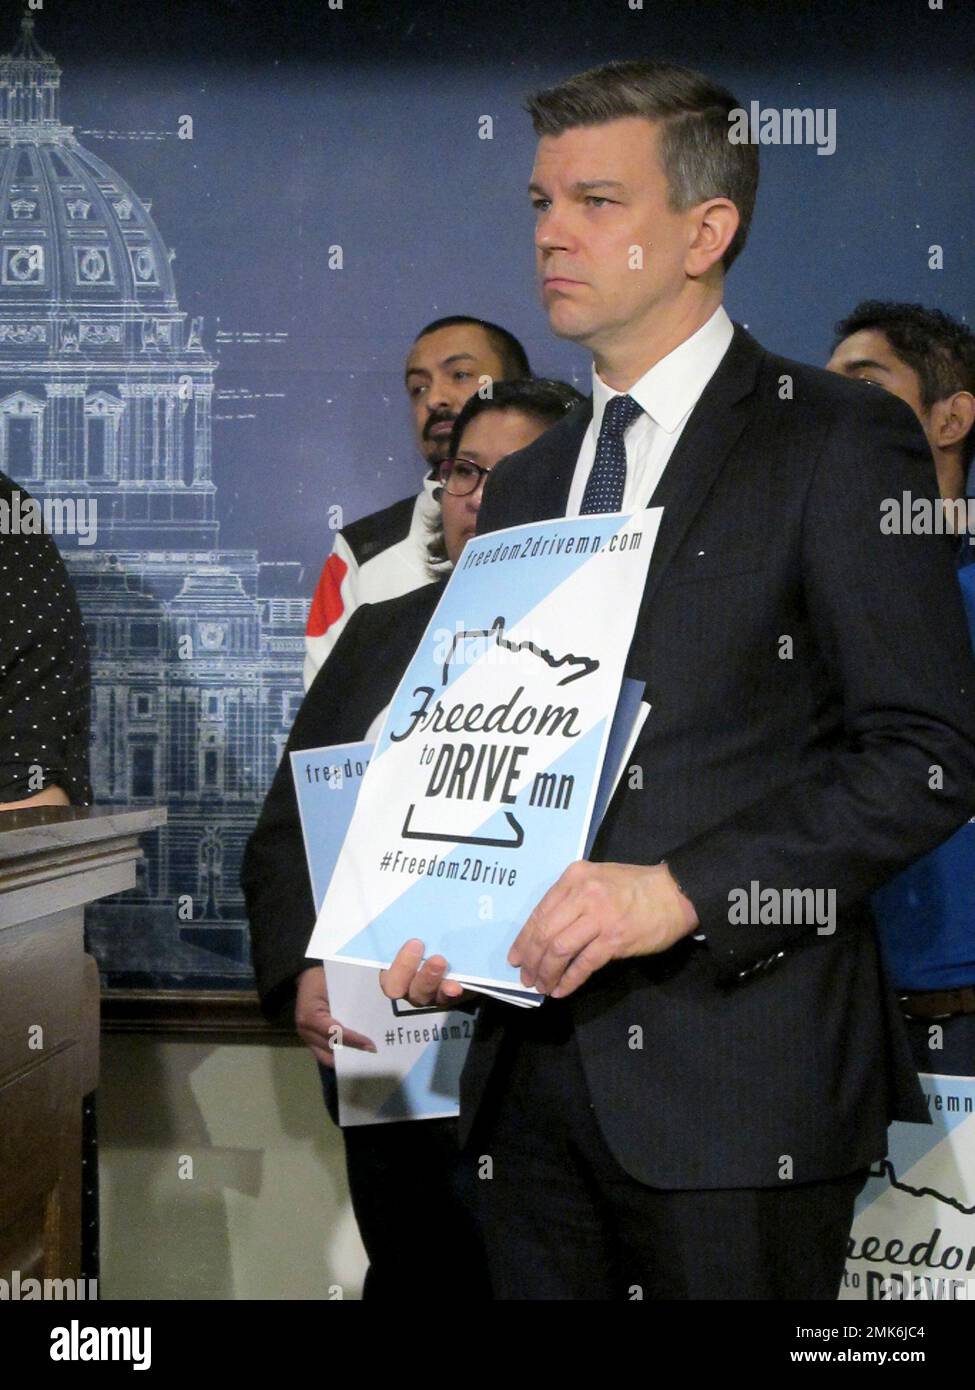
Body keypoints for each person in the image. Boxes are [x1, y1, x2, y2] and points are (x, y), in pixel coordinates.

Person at [381, 59, 975, 1301]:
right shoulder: (532, 485)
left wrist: (681, 892)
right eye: (541, 202)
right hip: (523, 1088)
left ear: (709, 230)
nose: (551, 233)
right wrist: (428, 906)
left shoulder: (836, 435)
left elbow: (925, 753)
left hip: (737, 1084)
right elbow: (499, 743)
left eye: (596, 201)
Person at [242, 378, 582, 1301]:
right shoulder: (378, 634)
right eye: (462, 470)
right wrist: (302, 971)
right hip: (390, 1070)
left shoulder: (635, 640)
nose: (476, 494)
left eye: (511, 473)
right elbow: (285, 836)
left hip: (556, 1074)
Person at [828, 303, 975, 1074]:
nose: (831, 408)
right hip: (843, 1026)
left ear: (951, 418)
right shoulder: (800, 604)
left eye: (865, 382)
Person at [303, 316, 531, 688]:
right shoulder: (361, 552)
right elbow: (330, 719)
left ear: (520, 389)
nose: (435, 398)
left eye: (459, 375)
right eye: (418, 388)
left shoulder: (586, 516)